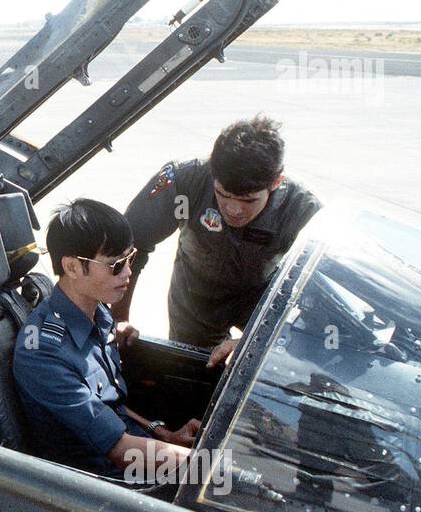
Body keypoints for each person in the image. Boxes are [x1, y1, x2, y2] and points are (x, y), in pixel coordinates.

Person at [12, 199, 199, 478]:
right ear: (72, 267)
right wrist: (212, 467)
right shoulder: (43, 353)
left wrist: (163, 434)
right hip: (98, 480)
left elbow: (110, 406)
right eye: (116, 265)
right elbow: (120, 451)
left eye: (130, 258)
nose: (128, 272)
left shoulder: (98, 312)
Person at [115, 116, 320, 364]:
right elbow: (129, 244)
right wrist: (118, 317)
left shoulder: (304, 208)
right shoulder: (184, 178)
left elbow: (319, 296)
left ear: (276, 182)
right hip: (196, 299)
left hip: (261, 303)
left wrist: (261, 342)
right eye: (223, 194)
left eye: (248, 200)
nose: (233, 209)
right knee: (191, 369)